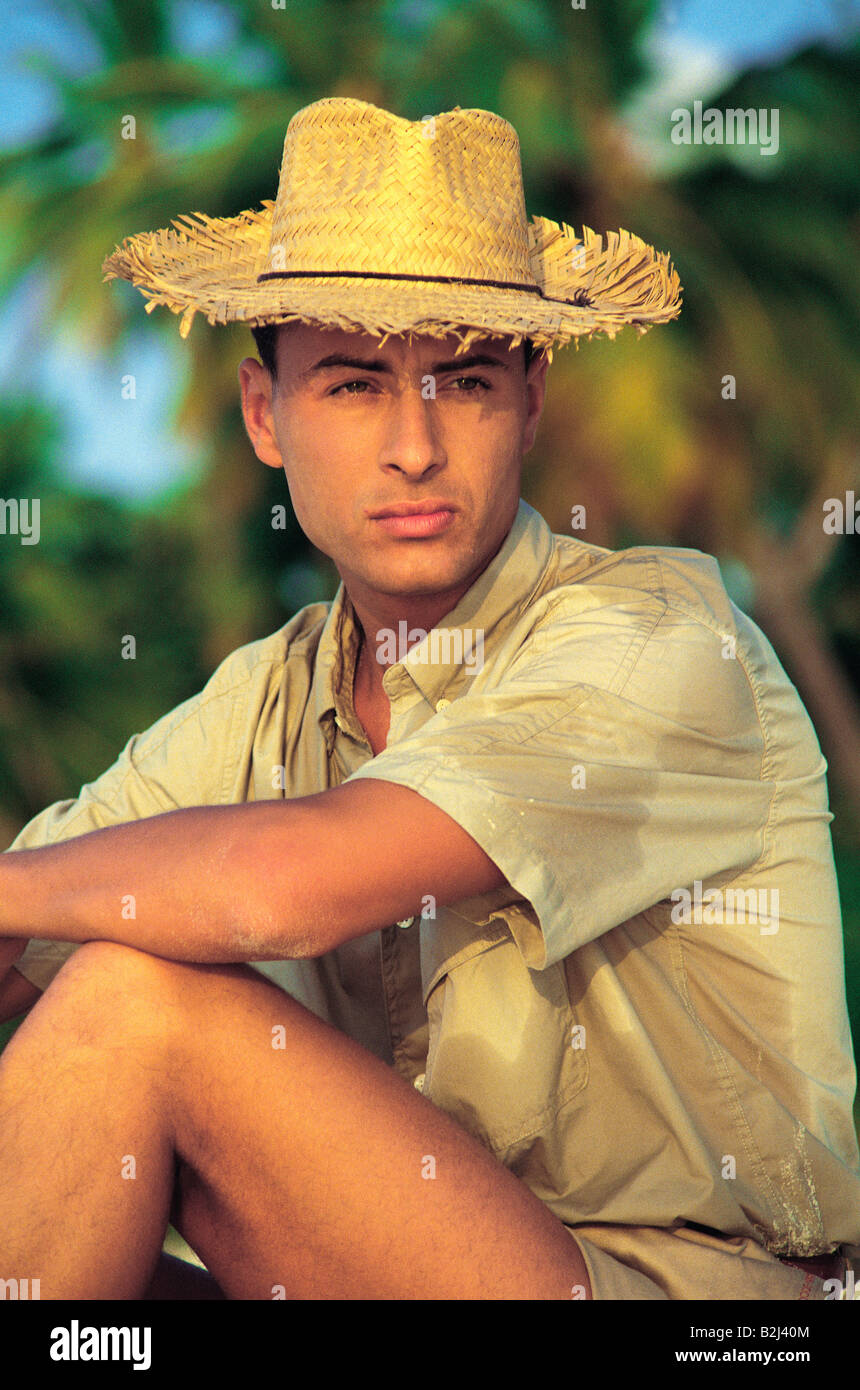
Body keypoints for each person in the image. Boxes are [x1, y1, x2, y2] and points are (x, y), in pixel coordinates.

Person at [0, 97, 857, 1302]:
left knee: (134, 1006)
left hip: (686, 1302)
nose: (413, 445)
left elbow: (276, 886)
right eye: (353, 385)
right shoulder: (265, 696)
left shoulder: (660, 636)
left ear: (531, 399)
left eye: (461, 379)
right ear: (263, 414)